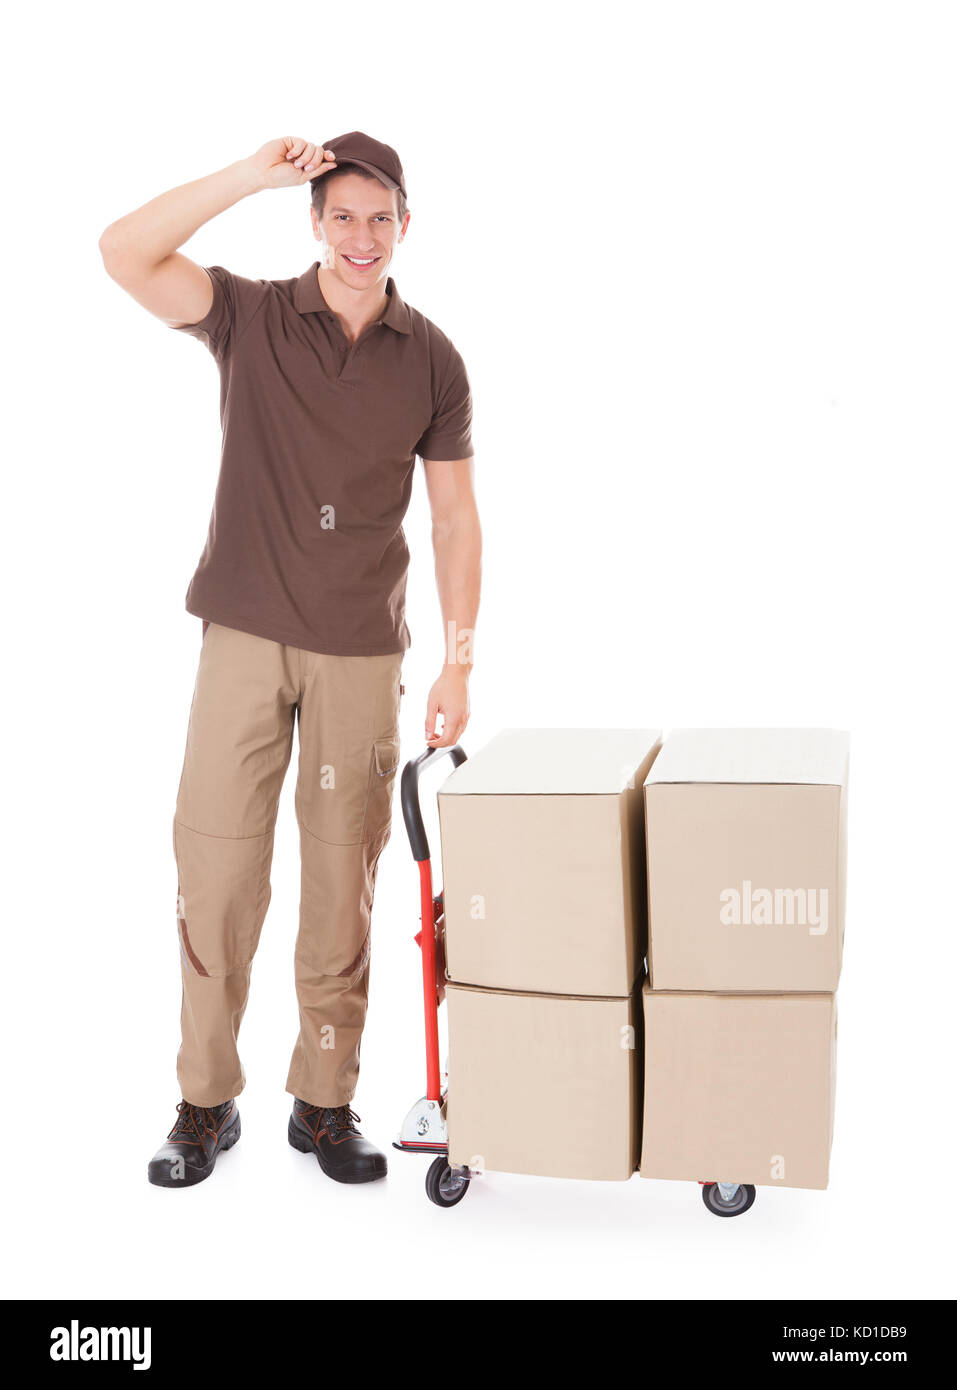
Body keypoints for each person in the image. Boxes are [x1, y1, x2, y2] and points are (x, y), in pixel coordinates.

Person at [99, 131, 481, 1188]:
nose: (362, 237)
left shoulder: (433, 358)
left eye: (380, 217)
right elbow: (123, 252)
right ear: (314, 222)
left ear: (407, 225)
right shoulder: (252, 317)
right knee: (216, 870)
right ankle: (204, 1103)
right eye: (341, 214)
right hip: (245, 636)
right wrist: (248, 177)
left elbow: (455, 521)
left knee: (338, 885)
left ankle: (323, 1104)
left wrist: (458, 663)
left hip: (362, 652)